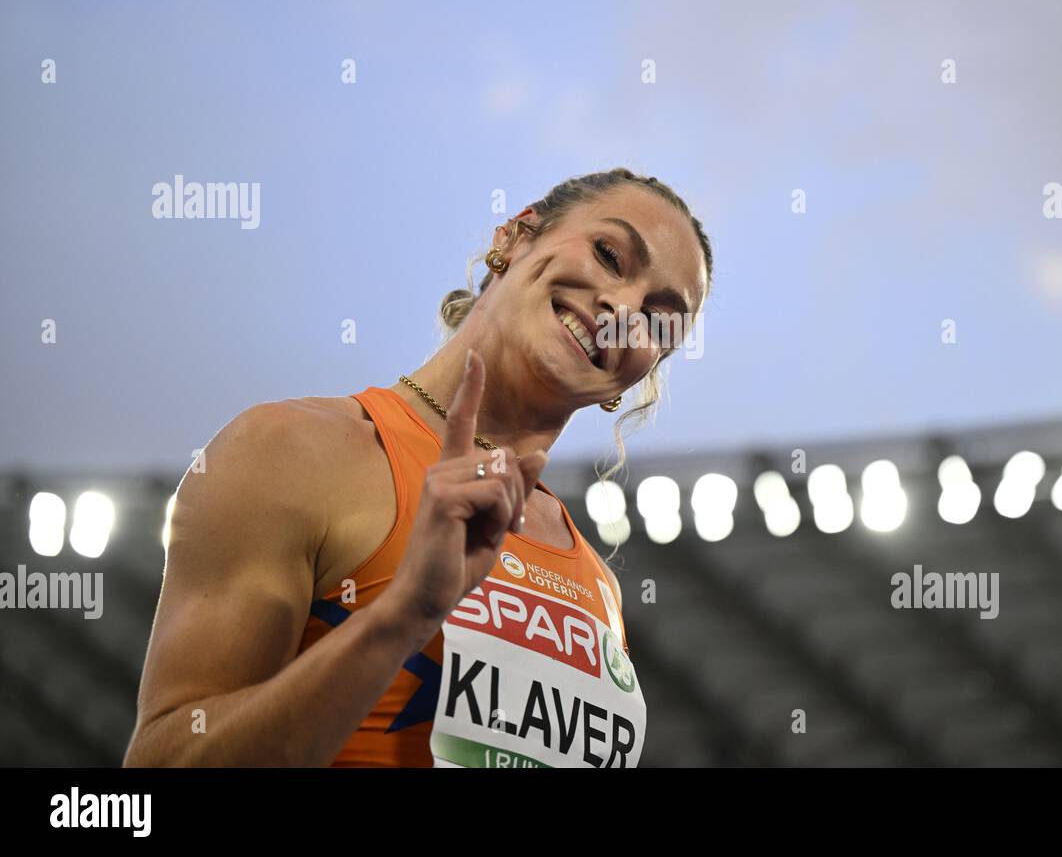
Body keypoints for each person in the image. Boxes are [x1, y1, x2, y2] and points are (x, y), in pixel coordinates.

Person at [123, 168, 714, 767]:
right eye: (609, 255)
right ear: (516, 236)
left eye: (657, 319)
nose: (620, 307)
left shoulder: (601, 589)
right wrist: (404, 613)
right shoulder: (293, 452)